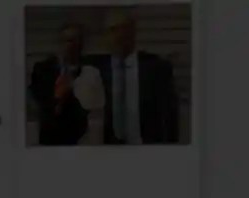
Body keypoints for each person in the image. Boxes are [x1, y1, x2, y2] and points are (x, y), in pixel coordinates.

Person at [92, 10, 181, 145]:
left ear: (133, 32)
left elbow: (170, 116)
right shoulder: (95, 70)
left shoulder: (157, 68)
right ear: (105, 36)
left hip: (146, 149)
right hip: (107, 152)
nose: (119, 35)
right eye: (113, 30)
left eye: (124, 29)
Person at [29, 22, 106, 146]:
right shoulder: (43, 71)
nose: (72, 45)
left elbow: (97, 109)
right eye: (67, 41)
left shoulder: (92, 73)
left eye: (76, 41)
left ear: (82, 44)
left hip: (82, 141)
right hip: (51, 140)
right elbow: (40, 102)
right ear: (60, 43)